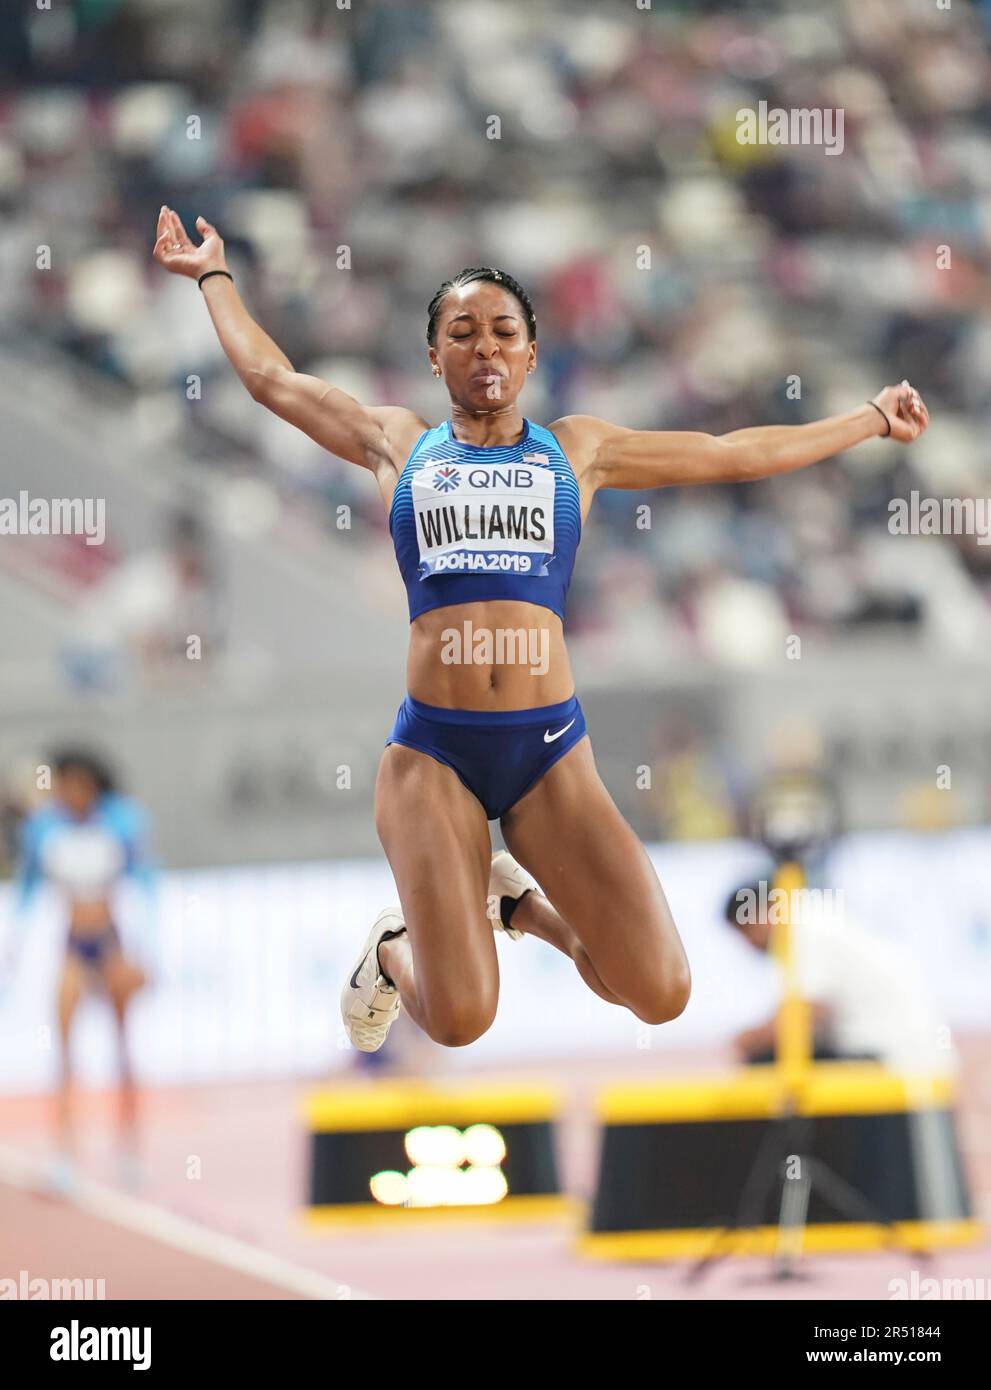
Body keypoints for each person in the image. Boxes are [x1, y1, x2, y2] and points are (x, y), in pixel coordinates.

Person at [152, 205, 929, 1054]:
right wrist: (213, 277)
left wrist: (867, 419)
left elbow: (731, 451)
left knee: (657, 991)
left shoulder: (578, 451)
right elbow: (271, 380)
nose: (484, 347)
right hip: (435, 756)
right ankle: (387, 950)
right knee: (459, 1020)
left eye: (502, 332)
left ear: (529, 352)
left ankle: (517, 904)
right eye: (462, 331)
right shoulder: (396, 444)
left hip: (549, 751)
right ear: (433, 354)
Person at [6, 751, 156, 1188]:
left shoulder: (121, 822)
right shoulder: (44, 828)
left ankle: (129, 1149)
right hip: (72, 946)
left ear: (91, 784)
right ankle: (65, 1152)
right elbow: (30, 885)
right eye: (62, 785)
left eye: (76, 785)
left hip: (111, 943)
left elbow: (144, 882)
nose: (69, 793)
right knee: (65, 1051)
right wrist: (15, 942)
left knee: (123, 1048)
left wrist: (145, 948)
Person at [724, 882, 956, 1075]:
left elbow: (803, 1016)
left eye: (746, 933)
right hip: (900, 1051)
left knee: (767, 1062)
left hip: (898, 1056)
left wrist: (748, 1040)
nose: (749, 945)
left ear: (759, 914)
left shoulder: (803, 929)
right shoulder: (812, 920)